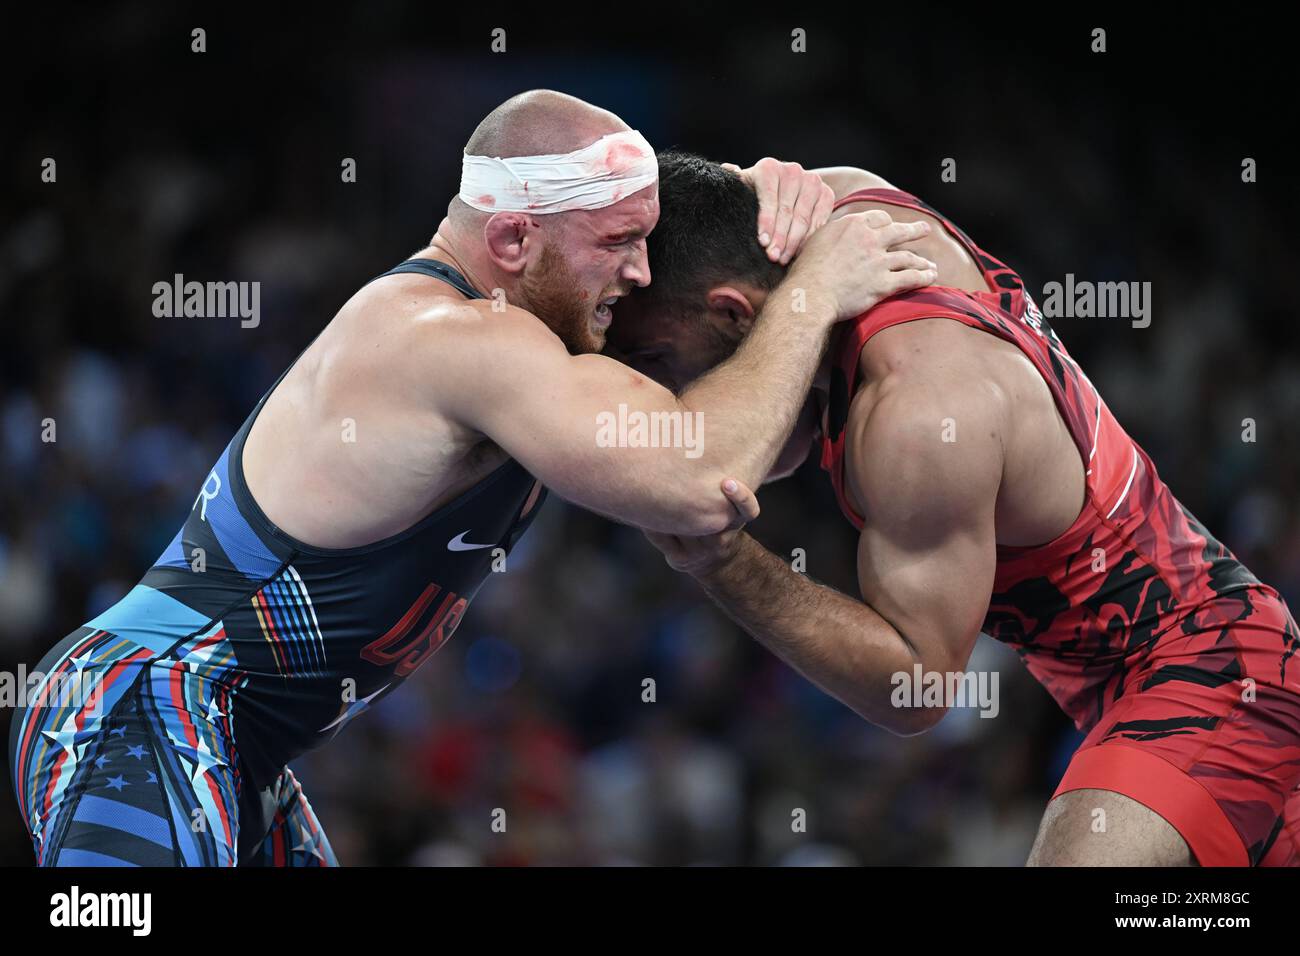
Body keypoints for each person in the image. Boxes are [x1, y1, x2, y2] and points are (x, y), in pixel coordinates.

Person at [7, 93, 936, 866]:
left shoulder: (535, 347)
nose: (642, 272)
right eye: (619, 241)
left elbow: (750, 435)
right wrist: (812, 295)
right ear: (515, 238)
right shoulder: (454, 337)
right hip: (145, 711)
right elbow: (706, 478)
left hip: (228, 742)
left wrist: (760, 224)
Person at [608, 151, 1300, 866]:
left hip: (1207, 671)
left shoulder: (919, 415)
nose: (658, 388)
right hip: (1161, 665)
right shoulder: (843, 205)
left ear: (732, 310)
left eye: (654, 359)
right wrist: (754, 178)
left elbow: (918, 688)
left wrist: (723, 563)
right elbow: (711, 204)